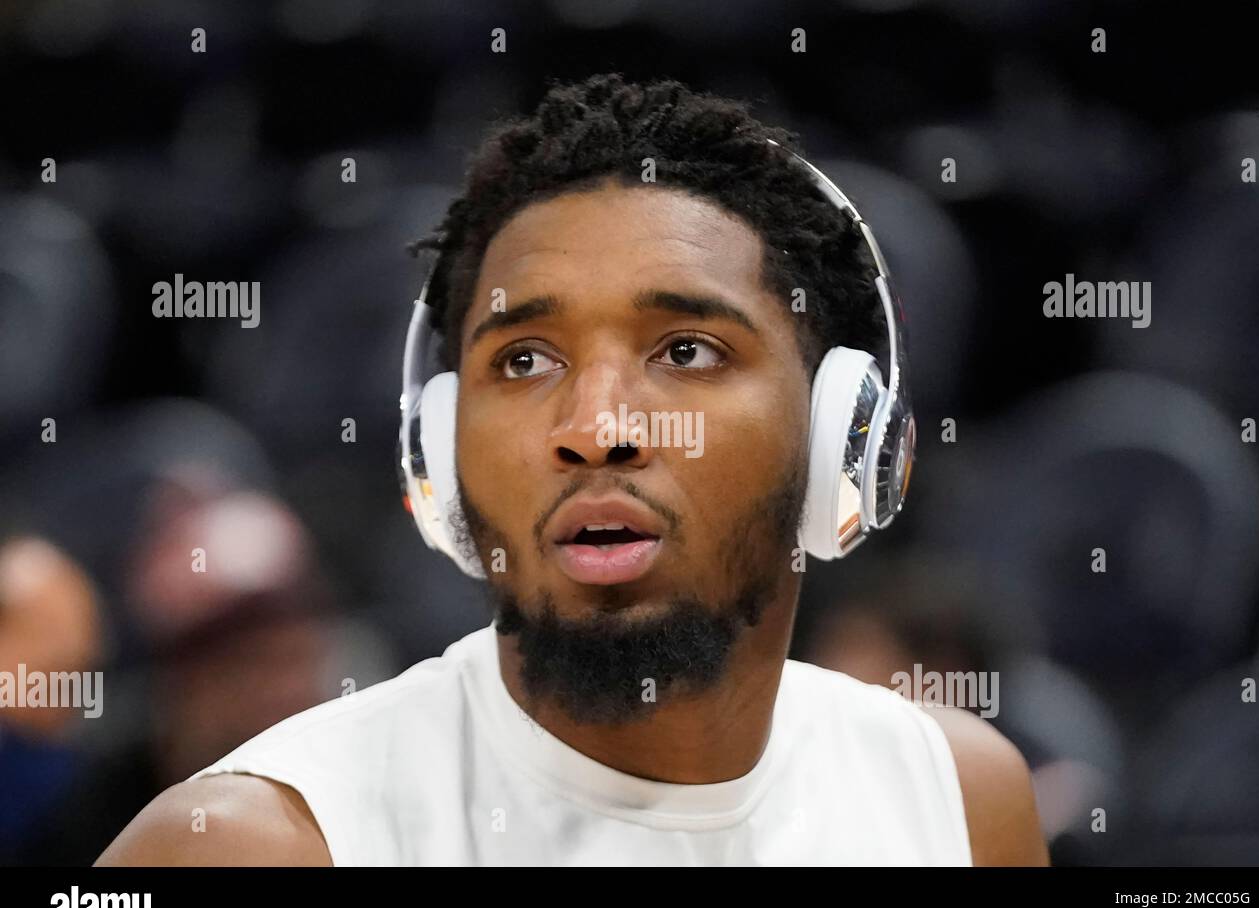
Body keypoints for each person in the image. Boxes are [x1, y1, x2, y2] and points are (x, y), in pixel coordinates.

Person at [98, 73, 1048, 866]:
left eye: (685, 351)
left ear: (846, 433)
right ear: (436, 453)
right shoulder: (255, 847)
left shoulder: (960, 802)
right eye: (524, 361)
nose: (597, 427)